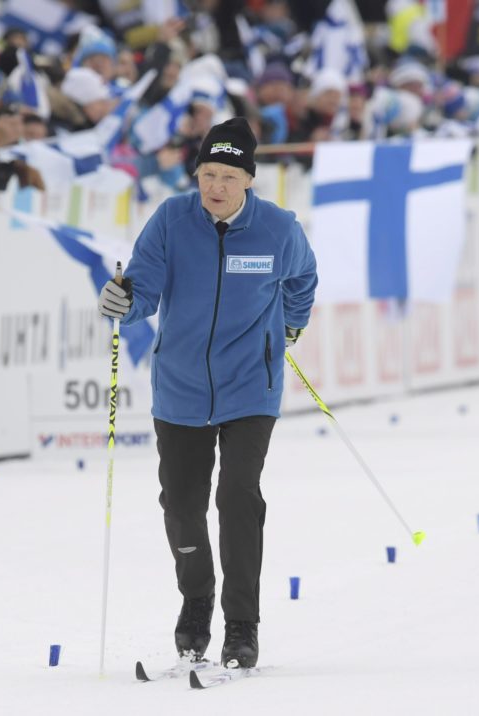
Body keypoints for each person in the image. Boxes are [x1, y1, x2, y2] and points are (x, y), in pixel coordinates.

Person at [97, 118, 318, 669]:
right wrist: (124, 299)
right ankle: (197, 602)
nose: (215, 187)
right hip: (181, 386)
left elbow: (303, 280)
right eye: (206, 174)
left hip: (251, 386)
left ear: (249, 179)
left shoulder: (278, 229)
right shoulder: (173, 220)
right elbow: (144, 284)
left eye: (228, 175)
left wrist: (289, 327)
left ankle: (242, 624)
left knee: (239, 495)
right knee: (181, 502)